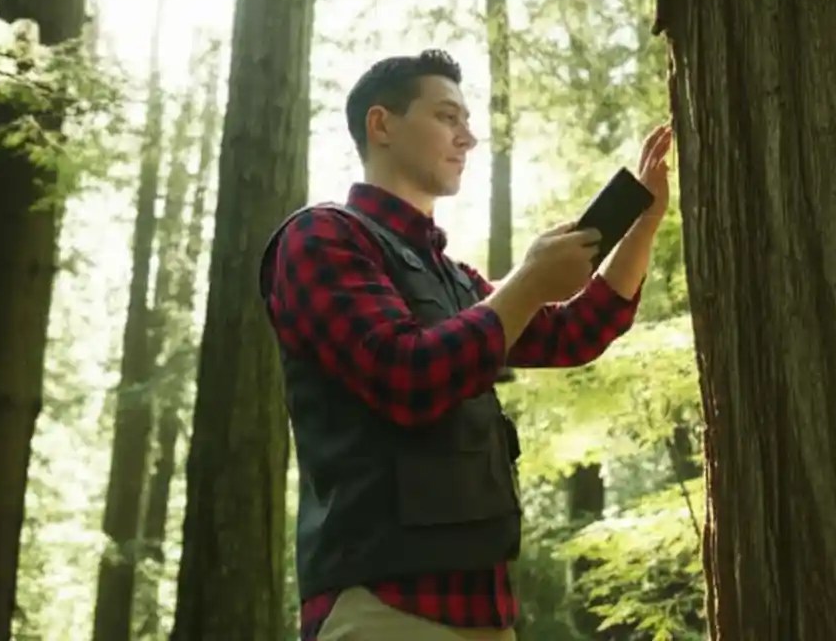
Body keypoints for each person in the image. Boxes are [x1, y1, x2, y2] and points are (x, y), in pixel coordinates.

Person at [259, 49, 672, 641]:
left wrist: (642, 224)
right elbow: (407, 377)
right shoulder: (320, 238)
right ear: (382, 125)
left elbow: (576, 332)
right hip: (382, 607)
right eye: (448, 117)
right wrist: (527, 281)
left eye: (467, 120)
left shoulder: (452, 276)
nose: (468, 137)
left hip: (486, 613)